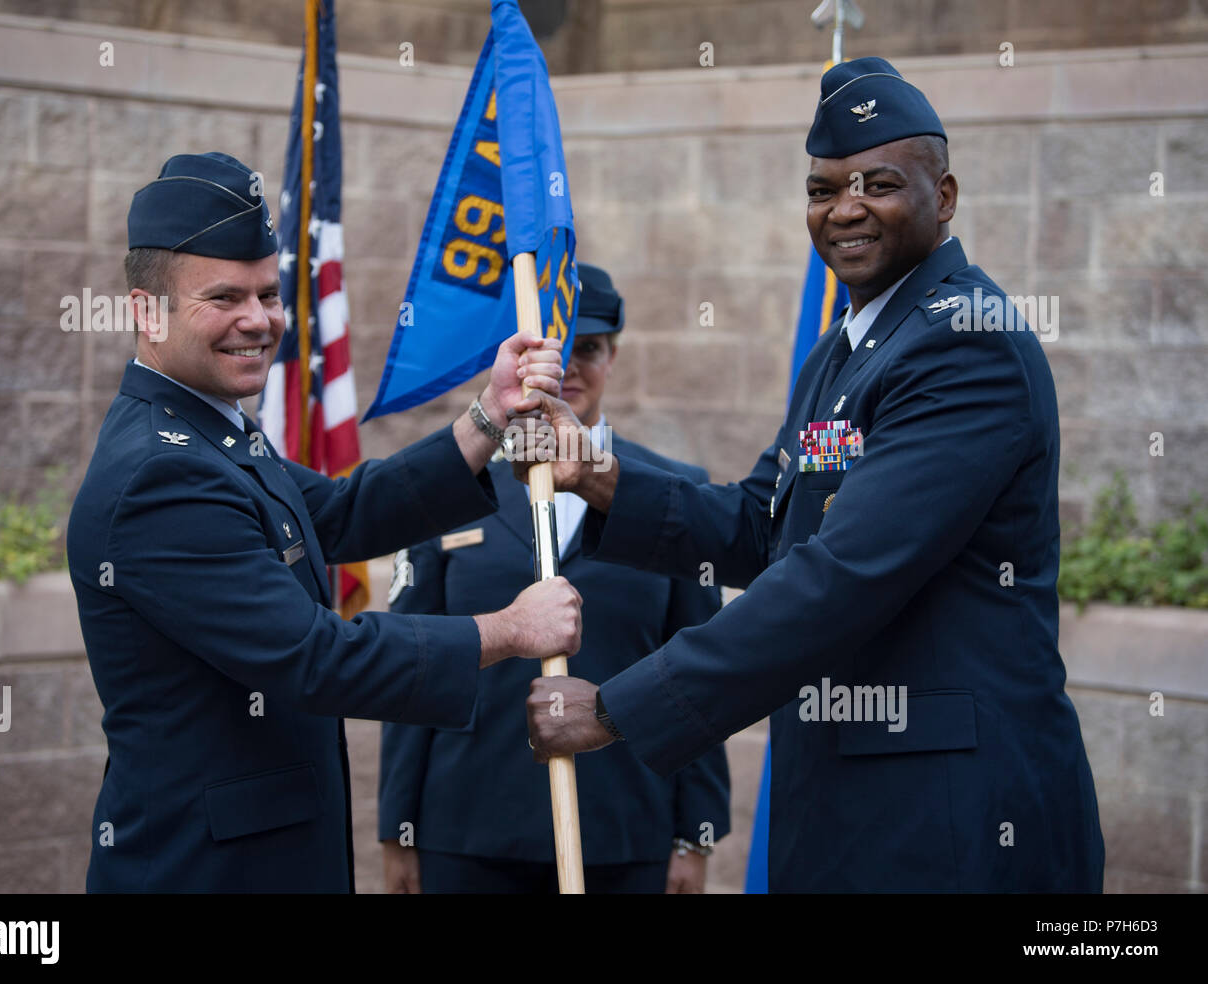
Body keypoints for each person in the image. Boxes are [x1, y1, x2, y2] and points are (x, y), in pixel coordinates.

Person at [521, 58, 1105, 892]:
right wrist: (595, 476)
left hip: (952, 821)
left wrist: (617, 709)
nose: (846, 209)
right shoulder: (845, 350)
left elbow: (841, 577)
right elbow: (766, 527)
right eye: (823, 189)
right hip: (851, 805)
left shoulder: (963, 345)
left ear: (943, 197)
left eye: (877, 183)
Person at [67, 151, 581, 893]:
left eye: (268, 294)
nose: (259, 321)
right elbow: (316, 657)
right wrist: (508, 630)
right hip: (207, 872)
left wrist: (488, 416)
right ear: (146, 312)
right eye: (225, 298)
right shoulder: (162, 473)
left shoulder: (211, 431)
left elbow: (340, 512)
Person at [378, 264, 731, 894]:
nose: (571, 369)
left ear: (613, 356)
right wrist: (397, 827)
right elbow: (416, 668)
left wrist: (693, 834)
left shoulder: (673, 494)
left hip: (623, 829)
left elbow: (699, 668)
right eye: (556, 352)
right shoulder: (447, 491)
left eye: (590, 349)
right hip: (467, 831)